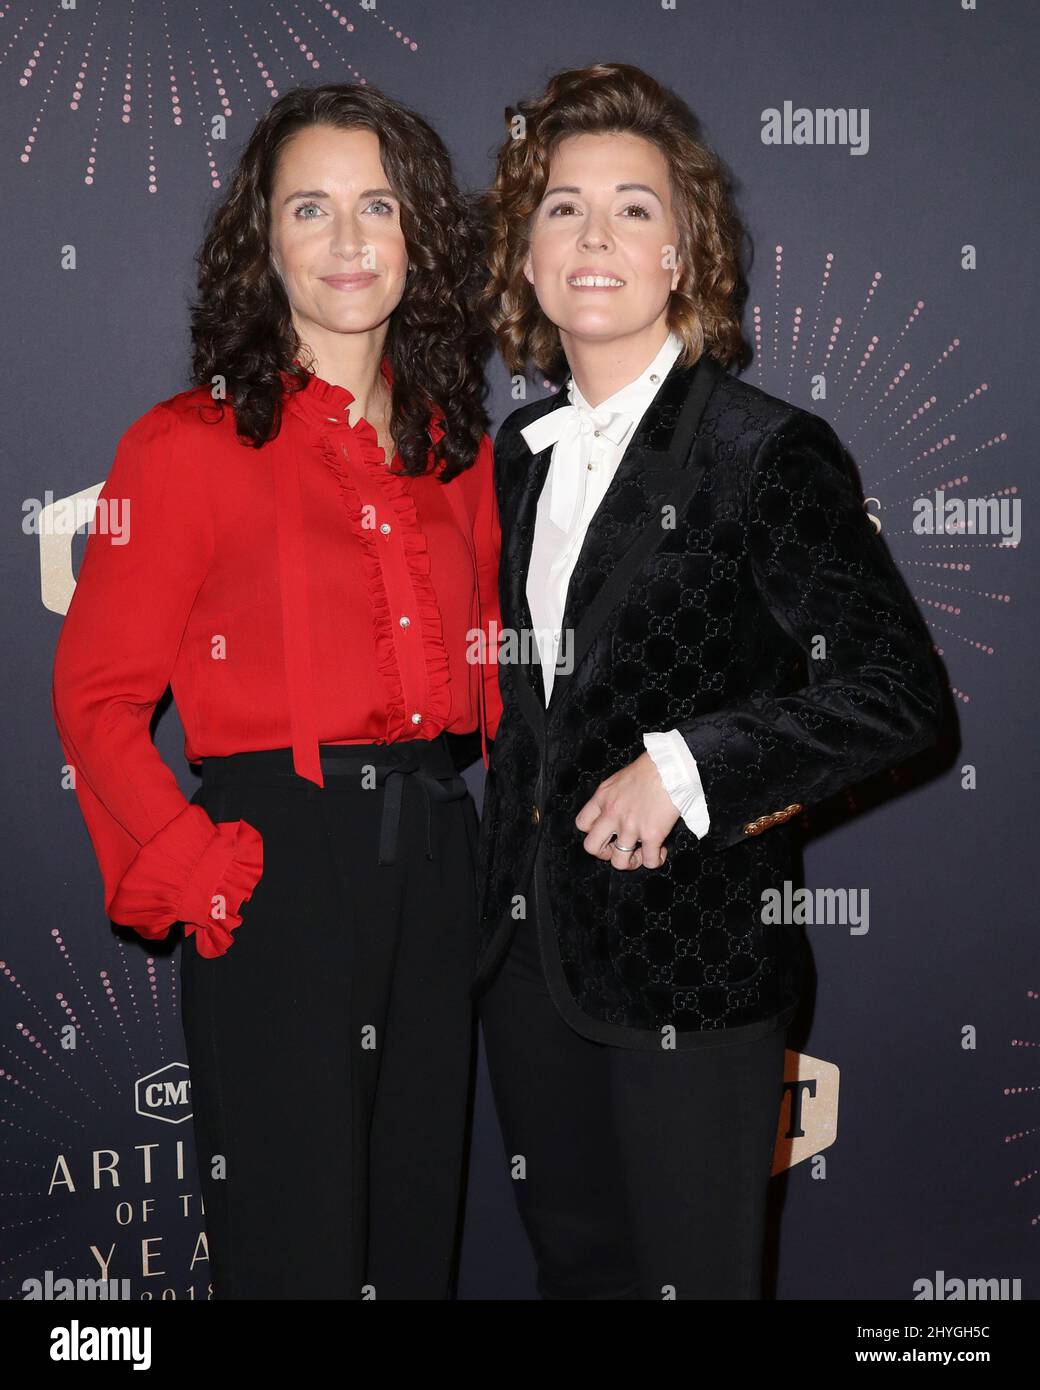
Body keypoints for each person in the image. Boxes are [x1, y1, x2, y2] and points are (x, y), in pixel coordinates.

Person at [472, 62, 942, 1300]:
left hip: (691, 959)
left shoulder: (763, 450)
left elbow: (899, 695)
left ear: (684, 254)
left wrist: (686, 768)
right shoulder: (512, 459)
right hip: (527, 968)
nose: (593, 234)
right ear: (526, 258)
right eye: (561, 206)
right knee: (577, 1273)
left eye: (633, 207)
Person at [51, 83, 502, 1300]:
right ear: (265, 241)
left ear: (420, 239)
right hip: (278, 860)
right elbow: (95, 697)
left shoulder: (453, 448)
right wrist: (193, 858)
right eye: (312, 208)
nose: (350, 243)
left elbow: (507, 669)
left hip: (436, 859)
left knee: (414, 1236)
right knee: (297, 1249)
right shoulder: (182, 446)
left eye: (378, 207)